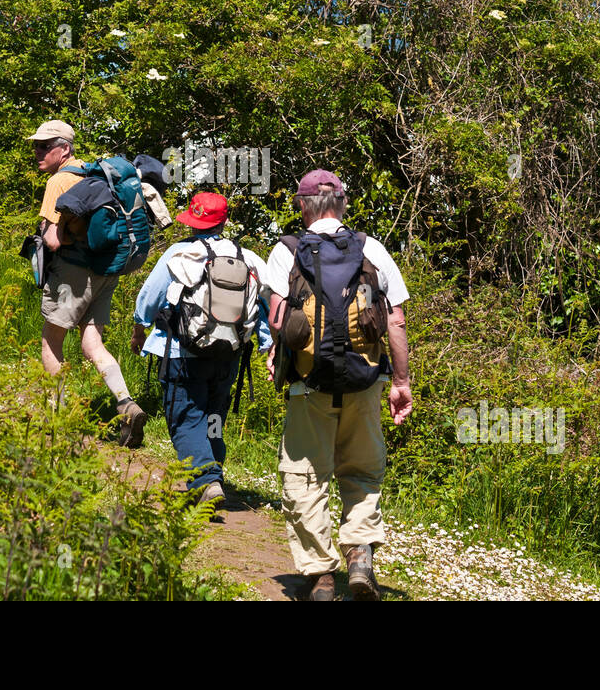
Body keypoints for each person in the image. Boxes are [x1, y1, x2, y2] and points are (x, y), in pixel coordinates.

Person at [263, 169, 412, 601]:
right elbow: (397, 321)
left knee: (306, 476)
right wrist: (400, 382)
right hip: (365, 382)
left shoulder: (286, 250)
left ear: (301, 206)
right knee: (363, 470)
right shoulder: (373, 249)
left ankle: (321, 576)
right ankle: (360, 557)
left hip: (309, 385)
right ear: (343, 204)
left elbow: (277, 320)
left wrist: (282, 351)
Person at [130, 192, 271, 508]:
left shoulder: (180, 254)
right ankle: (214, 465)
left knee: (186, 416)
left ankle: (207, 480)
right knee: (213, 414)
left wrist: (140, 329)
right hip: (228, 354)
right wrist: (267, 343)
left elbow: (150, 298)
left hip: (183, 354)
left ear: (193, 223)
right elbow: (261, 305)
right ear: (223, 221)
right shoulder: (247, 258)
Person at [31, 119, 146, 446]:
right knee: (91, 344)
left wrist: (46, 236)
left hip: (74, 272)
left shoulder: (59, 181)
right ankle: (126, 403)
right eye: (36, 145)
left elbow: (52, 241)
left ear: (64, 149)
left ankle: (60, 420)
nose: (37, 152)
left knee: (51, 341)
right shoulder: (95, 174)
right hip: (106, 270)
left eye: (45, 145)